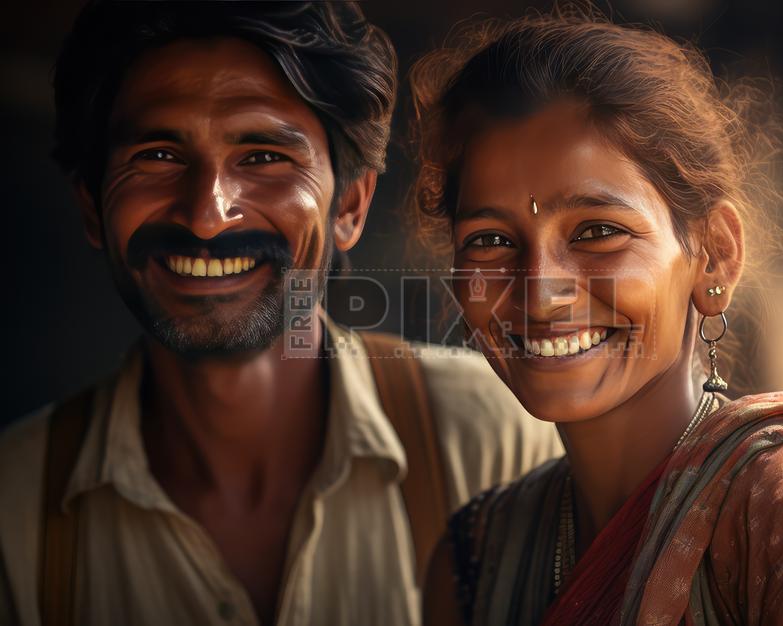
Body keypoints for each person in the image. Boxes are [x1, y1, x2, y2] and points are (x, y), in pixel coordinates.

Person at [0, 3, 562, 626]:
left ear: (349, 205)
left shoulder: (503, 440)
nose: (208, 216)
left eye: (264, 156)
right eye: (158, 156)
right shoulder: (12, 511)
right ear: (91, 209)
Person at [410, 7, 783, 625]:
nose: (541, 291)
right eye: (491, 241)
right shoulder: (476, 558)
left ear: (714, 255)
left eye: (598, 231)